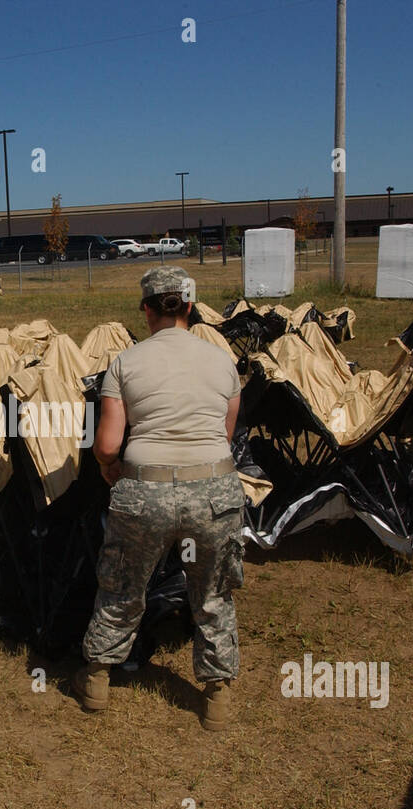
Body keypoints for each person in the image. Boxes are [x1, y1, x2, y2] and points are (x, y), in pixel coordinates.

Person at [74, 267, 246, 730]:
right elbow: (224, 438)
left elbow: (108, 445)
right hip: (215, 492)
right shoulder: (222, 362)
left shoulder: (125, 363)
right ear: (189, 307)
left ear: (146, 310)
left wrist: (110, 470)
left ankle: (97, 680)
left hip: (143, 493)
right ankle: (217, 696)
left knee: (122, 586)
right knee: (212, 593)